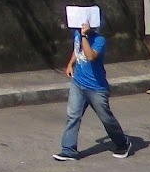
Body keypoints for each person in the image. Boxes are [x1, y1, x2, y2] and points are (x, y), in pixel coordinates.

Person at [54, 20, 132, 160]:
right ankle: (69, 150)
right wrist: (70, 64)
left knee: (106, 119)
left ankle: (123, 143)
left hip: (96, 88)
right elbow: (77, 49)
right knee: (73, 116)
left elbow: (90, 56)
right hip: (78, 84)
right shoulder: (77, 34)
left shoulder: (99, 40)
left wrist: (84, 36)